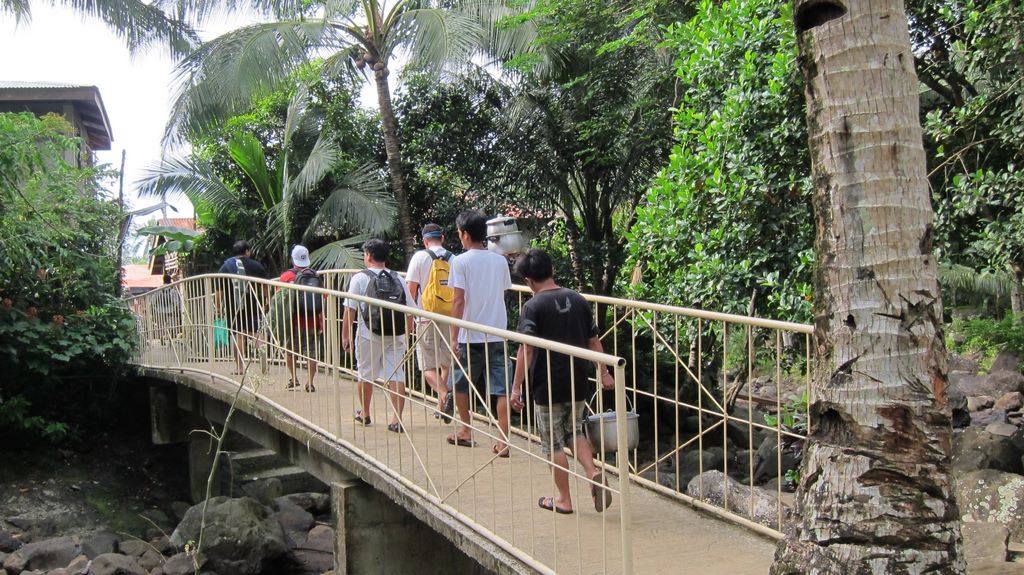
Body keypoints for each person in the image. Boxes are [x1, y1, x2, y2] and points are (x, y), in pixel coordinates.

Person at [510, 248, 615, 514]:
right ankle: (592, 473)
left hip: (547, 385)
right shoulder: (577, 299)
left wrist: (516, 388)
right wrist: (603, 372)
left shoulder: (532, 306)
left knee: (553, 443)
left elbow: (527, 348)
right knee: (575, 432)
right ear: (552, 271)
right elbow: (593, 341)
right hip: (578, 380)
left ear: (528, 281)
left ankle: (564, 500)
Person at [446, 210, 513, 456]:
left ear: (464, 234)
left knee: (461, 383)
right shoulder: (499, 260)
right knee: (501, 387)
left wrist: (454, 336)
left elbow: (458, 301)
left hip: (470, 336)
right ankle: (503, 440)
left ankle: (465, 430)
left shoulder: (460, 262)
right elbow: (503, 292)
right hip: (497, 333)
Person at [341, 239, 414, 433]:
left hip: (368, 335)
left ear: (369, 256)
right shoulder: (397, 278)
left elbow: (350, 310)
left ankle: (364, 413)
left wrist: (345, 336)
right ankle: (396, 420)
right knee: (397, 374)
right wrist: (405, 335)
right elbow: (410, 310)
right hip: (396, 334)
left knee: (365, 373)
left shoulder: (360, 278)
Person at [405, 223, 454, 419]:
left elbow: (410, 292)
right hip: (449, 317)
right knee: (446, 363)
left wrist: (410, 319)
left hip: (426, 318)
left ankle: (445, 394)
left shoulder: (420, 257)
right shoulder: (453, 258)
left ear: (425, 241)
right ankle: (442, 407)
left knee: (427, 367)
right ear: (442, 238)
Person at [217, 240, 269, 374]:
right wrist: (267, 301)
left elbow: (219, 292)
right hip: (252, 305)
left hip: (233, 307)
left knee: (237, 335)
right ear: (247, 251)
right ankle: (263, 359)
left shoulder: (226, 267)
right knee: (257, 333)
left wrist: (218, 307)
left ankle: (240, 367)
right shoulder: (256, 265)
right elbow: (265, 285)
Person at [279, 245, 323, 392]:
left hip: (293, 321)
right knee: (312, 352)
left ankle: (294, 378)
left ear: (293, 259)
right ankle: (310, 383)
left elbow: (279, 299)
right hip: (312, 321)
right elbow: (323, 299)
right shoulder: (315, 276)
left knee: (291, 350)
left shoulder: (286, 277)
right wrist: (321, 322)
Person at [153, 272, 181, 344]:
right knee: (171, 325)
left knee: (161, 325)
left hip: (160, 311)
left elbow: (152, 301)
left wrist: (156, 307)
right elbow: (176, 302)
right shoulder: (172, 289)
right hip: (170, 310)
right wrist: (177, 308)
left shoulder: (158, 289)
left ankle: (162, 337)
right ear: (170, 280)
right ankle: (170, 339)